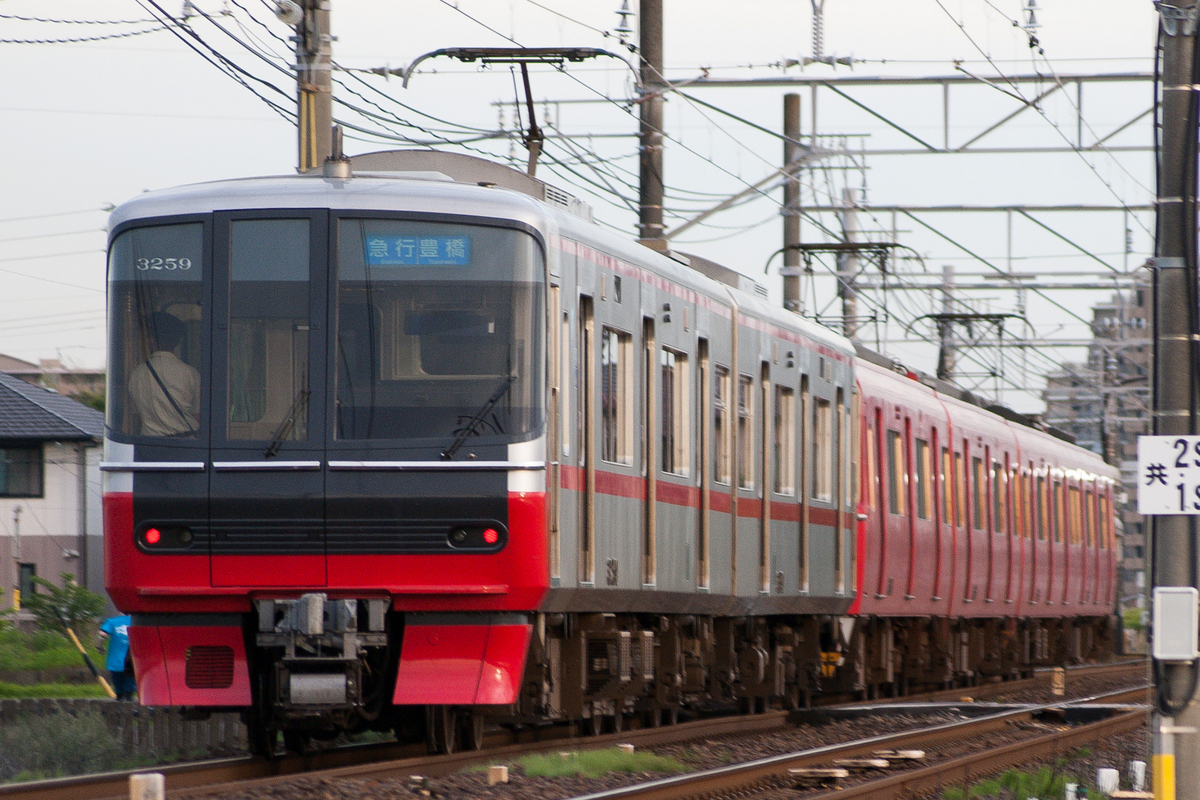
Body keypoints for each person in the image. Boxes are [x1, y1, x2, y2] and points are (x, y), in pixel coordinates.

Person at [128, 311, 200, 436]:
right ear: (176, 342)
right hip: (187, 444)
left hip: (149, 446)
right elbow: (196, 414)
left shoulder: (137, 374)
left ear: (151, 340)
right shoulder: (190, 373)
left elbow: (137, 415)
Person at [98, 614, 136, 701]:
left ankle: (119, 696)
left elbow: (102, 634)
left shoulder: (112, 621)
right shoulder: (137, 621)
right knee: (130, 682)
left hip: (115, 660)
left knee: (118, 684)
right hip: (132, 660)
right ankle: (129, 697)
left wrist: (99, 646)